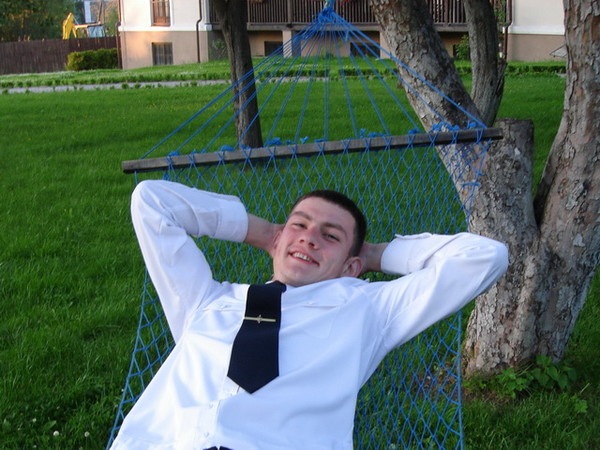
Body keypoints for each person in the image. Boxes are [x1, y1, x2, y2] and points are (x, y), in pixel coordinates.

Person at [110, 179, 508, 450]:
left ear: (351, 265)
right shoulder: (206, 300)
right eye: (299, 225)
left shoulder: (369, 309)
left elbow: (483, 258)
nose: (309, 237)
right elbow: (151, 201)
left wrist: (374, 254)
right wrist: (263, 232)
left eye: (330, 236)